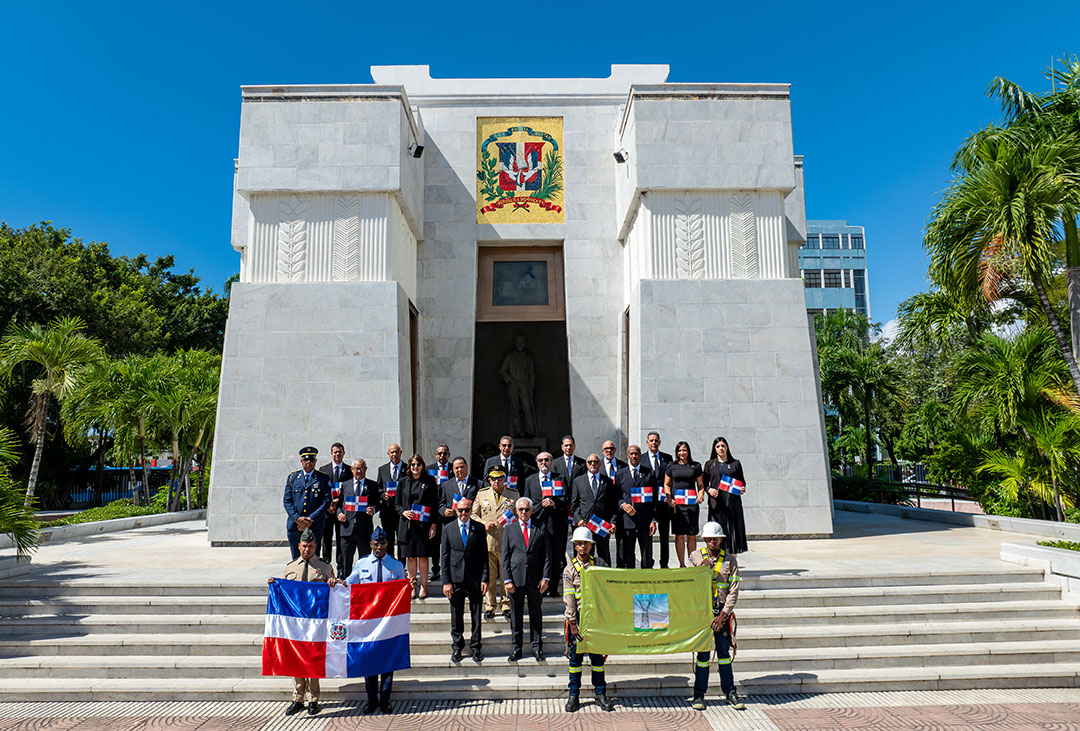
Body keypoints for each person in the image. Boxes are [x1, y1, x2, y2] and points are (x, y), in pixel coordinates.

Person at [336, 526, 411, 715]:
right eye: (376, 544)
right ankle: (371, 700)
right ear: (370, 544)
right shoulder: (362, 564)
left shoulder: (396, 566)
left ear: (387, 544)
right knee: (369, 660)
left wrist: (410, 586)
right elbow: (349, 583)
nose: (379, 547)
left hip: (388, 623)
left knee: (387, 661)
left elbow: (402, 592)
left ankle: (385, 700)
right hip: (368, 623)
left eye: (382, 544)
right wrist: (337, 583)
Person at [270, 527, 334, 716]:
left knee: (313, 659)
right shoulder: (290, 568)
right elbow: (285, 593)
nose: (307, 550)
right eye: (304, 546)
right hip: (295, 624)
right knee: (296, 658)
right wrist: (274, 586)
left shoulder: (324, 567)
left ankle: (313, 699)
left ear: (316, 546)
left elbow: (335, 592)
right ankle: (297, 698)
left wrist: (333, 582)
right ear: (299, 546)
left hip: (316, 623)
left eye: (311, 546)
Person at [688, 522, 744, 711]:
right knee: (703, 655)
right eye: (709, 538)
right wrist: (698, 569)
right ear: (704, 539)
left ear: (721, 539)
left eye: (716, 538)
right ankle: (698, 694)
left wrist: (723, 615)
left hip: (721, 612)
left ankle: (730, 692)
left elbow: (733, 591)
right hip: (703, 613)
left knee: (724, 654)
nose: (712, 541)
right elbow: (687, 582)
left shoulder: (730, 560)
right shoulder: (695, 556)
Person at [562, 527, 615, 712]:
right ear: (575, 546)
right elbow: (569, 598)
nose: (582, 546)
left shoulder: (600, 565)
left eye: (585, 543)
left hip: (596, 620)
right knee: (575, 661)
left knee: (597, 660)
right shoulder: (569, 570)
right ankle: (573, 695)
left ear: (591, 545)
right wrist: (572, 623)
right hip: (577, 621)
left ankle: (600, 694)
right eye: (579, 544)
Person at [502, 496, 551, 661]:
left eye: (527, 509)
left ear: (532, 510)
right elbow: (505, 557)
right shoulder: (509, 529)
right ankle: (516, 649)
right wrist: (507, 579)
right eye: (521, 509)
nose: (524, 512)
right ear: (516, 511)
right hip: (516, 580)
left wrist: (545, 577)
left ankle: (536, 648)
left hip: (535, 579)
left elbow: (547, 556)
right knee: (516, 616)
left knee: (535, 614)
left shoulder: (540, 527)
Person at [441, 498, 489, 662]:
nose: (463, 513)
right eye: (460, 510)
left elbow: (484, 555)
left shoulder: (479, 528)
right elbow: (444, 556)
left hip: (474, 578)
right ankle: (457, 647)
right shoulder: (448, 528)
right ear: (456, 511)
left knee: (476, 614)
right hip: (455, 578)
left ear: (471, 510)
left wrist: (485, 578)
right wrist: (446, 582)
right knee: (456, 615)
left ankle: (475, 647)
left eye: (466, 510)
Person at [474, 467, 520, 619]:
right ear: (489, 480)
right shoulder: (482, 494)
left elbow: (519, 516)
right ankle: (490, 605)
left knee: (506, 574)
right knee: (490, 576)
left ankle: (506, 604)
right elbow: (473, 515)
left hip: (507, 541)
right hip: (488, 541)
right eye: (494, 479)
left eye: (500, 479)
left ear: (504, 479)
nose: (497, 482)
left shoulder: (513, 494)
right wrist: (483, 524)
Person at [523, 451, 570, 597]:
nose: (544, 463)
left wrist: (554, 502)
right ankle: (537, 587)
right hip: (536, 524)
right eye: (541, 460)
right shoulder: (530, 480)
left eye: (547, 460)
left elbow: (566, 499)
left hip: (555, 525)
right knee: (537, 556)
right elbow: (526, 501)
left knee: (555, 557)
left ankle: (553, 588)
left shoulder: (560, 478)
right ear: (537, 463)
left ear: (551, 462)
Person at [396, 453, 439, 599]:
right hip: (408, 526)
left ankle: (424, 587)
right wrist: (403, 512)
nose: (415, 467)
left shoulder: (429, 480)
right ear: (409, 466)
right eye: (413, 464)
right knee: (411, 558)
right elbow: (397, 504)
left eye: (418, 464)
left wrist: (433, 524)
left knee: (423, 557)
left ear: (422, 466)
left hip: (424, 525)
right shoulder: (403, 481)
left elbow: (434, 504)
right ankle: (412, 586)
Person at [283, 446, 331, 560]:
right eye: (306, 459)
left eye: (311, 459)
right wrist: (297, 519)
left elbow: (326, 501)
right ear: (301, 461)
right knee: (296, 559)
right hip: (295, 526)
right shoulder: (293, 477)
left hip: (314, 525)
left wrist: (310, 519)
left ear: (315, 461)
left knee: (314, 559)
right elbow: (287, 500)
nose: (308, 462)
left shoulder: (323, 478)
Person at [614, 444, 657, 568]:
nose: (634, 456)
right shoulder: (620, 474)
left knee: (646, 553)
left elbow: (654, 499)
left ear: (640, 455)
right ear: (628, 455)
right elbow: (616, 496)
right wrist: (623, 505)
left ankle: (646, 576)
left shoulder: (650, 473)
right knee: (628, 553)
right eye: (631, 454)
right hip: (627, 520)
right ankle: (631, 576)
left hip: (645, 520)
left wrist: (653, 520)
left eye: (636, 453)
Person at [571, 453, 617, 566]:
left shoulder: (608, 481)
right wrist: (578, 519)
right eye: (590, 462)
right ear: (586, 464)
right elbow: (574, 504)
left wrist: (613, 522)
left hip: (602, 525)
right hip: (585, 525)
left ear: (600, 464)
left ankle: (605, 575)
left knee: (604, 554)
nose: (593, 464)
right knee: (585, 555)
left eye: (596, 461)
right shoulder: (578, 481)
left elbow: (612, 505)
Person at [705, 437, 749, 554]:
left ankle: (732, 561)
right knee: (717, 532)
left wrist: (742, 488)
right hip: (716, 504)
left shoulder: (735, 463)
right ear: (714, 449)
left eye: (723, 446)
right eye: (718, 446)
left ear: (727, 447)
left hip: (732, 503)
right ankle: (717, 560)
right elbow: (704, 483)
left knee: (732, 533)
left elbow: (742, 481)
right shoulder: (710, 464)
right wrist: (709, 490)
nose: (721, 448)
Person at [664, 441, 704, 567]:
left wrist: (701, 496)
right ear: (677, 452)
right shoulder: (671, 466)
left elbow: (701, 485)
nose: (682, 453)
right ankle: (681, 564)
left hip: (691, 505)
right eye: (680, 450)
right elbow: (666, 484)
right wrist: (669, 498)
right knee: (679, 535)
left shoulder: (696, 466)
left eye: (684, 450)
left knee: (691, 535)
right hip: (677, 506)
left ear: (688, 451)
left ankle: (691, 562)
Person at [336, 457, 377, 578]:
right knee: (346, 563)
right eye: (356, 468)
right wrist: (339, 513)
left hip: (364, 529)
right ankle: (346, 585)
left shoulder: (372, 485)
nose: (358, 471)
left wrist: (373, 509)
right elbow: (339, 504)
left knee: (365, 562)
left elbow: (378, 503)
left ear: (366, 469)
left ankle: (363, 584)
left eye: (361, 468)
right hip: (347, 529)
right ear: (352, 469)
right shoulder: (345, 485)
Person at [317, 442, 352, 564]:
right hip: (328, 510)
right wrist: (328, 504)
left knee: (340, 539)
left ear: (344, 453)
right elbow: (321, 490)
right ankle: (326, 564)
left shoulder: (350, 470)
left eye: (339, 452)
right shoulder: (323, 470)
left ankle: (340, 566)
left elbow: (350, 490)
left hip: (342, 510)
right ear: (331, 453)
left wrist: (339, 501)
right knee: (326, 538)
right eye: (335, 452)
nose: (337, 454)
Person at [644, 431, 674, 568]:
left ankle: (664, 564)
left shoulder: (667, 458)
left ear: (659, 442)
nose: (654, 443)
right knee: (647, 535)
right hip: (648, 504)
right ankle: (648, 563)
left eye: (656, 440)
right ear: (647, 442)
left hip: (663, 504)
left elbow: (670, 480)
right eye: (651, 440)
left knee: (664, 536)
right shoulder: (642, 459)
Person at [428, 444, 454, 582]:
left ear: (449, 455)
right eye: (439, 453)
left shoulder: (454, 468)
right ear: (436, 455)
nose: (442, 456)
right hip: (434, 510)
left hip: (450, 511)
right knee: (435, 542)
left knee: (450, 541)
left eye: (444, 453)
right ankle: (435, 569)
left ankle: (450, 569)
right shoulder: (429, 469)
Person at [376, 444, 405, 557]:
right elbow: (378, 487)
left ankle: (401, 564)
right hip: (387, 510)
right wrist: (382, 494)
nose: (394, 454)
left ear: (400, 453)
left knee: (402, 540)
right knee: (388, 540)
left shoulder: (407, 468)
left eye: (396, 452)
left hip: (402, 511)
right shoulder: (382, 469)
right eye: (392, 452)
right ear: (388, 454)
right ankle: (390, 562)